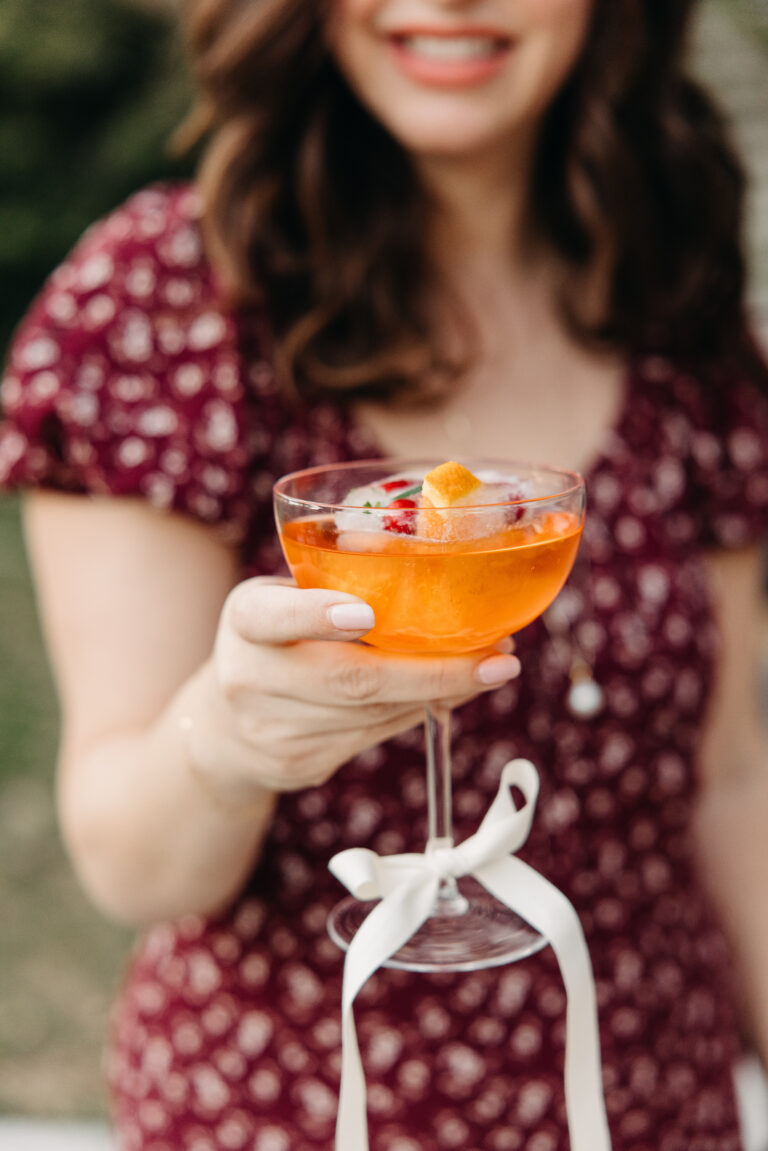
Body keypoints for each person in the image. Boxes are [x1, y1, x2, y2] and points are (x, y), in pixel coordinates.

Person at [1, 0, 767, 1146]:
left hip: (640, 1094)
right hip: (296, 1106)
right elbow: (131, 861)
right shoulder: (163, 303)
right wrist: (230, 733)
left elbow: (731, 774)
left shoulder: (675, 304)